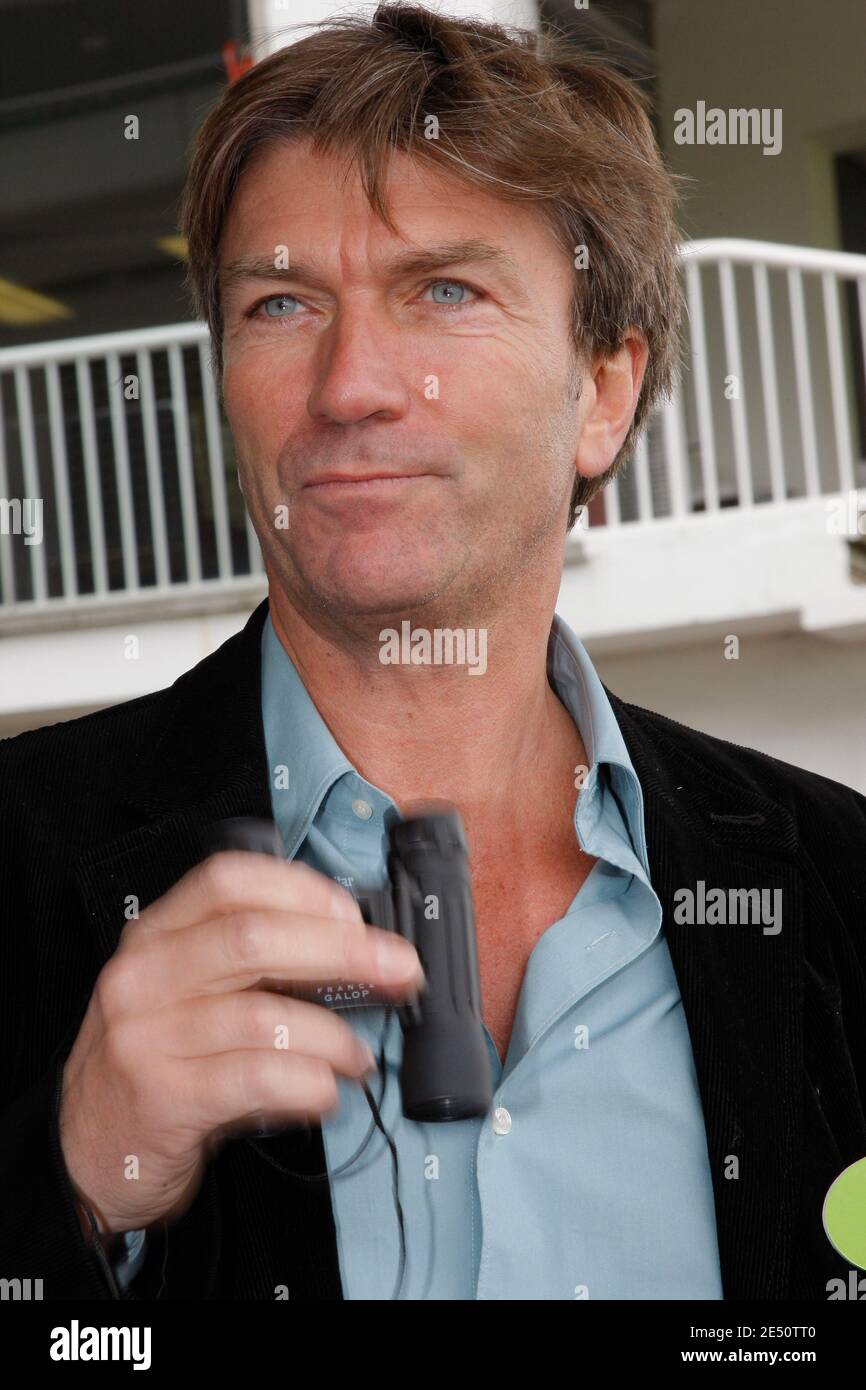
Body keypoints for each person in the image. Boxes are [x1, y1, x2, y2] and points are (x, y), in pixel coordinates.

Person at [1, 3, 864, 1301]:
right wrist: (63, 1181)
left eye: (443, 290)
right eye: (282, 302)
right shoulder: (15, 864)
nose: (351, 384)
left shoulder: (843, 890)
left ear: (605, 388)